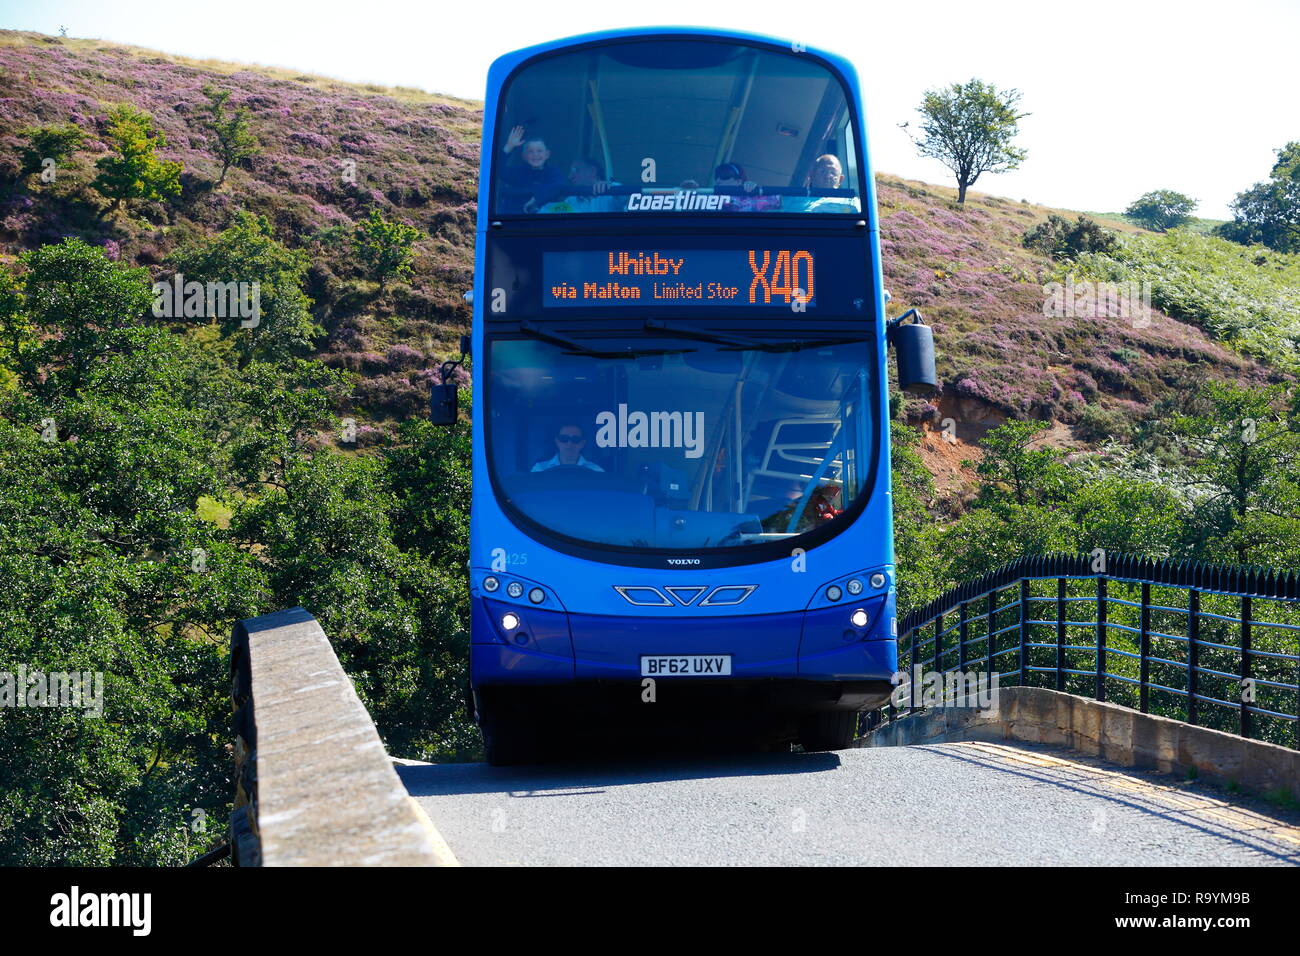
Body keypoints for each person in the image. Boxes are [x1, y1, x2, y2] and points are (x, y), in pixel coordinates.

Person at [498, 126, 569, 213]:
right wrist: (509, 147)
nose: (535, 154)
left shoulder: (553, 172)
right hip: (516, 219)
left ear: (547, 154)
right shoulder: (518, 172)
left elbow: (559, 185)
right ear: (524, 156)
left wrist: (537, 198)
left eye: (539, 151)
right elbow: (499, 171)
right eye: (530, 151)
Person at [536, 156, 619, 213]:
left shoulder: (612, 191)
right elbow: (547, 212)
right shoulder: (571, 201)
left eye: (575, 170)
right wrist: (535, 204)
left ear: (593, 171)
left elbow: (628, 200)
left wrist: (610, 188)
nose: (570, 176)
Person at [786, 154, 861, 213]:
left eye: (833, 172)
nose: (828, 176)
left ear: (840, 179)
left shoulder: (851, 203)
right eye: (822, 171)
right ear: (811, 175)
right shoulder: (795, 201)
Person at [531, 424, 605, 472]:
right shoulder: (540, 469)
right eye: (564, 438)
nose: (569, 444)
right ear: (557, 442)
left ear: (582, 443)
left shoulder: (596, 471)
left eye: (575, 439)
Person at [712, 162, 780, 212]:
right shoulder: (710, 196)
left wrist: (755, 191)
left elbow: (782, 201)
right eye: (716, 177)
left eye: (724, 177)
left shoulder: (750, 199)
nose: (718, 180)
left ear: (738, 181)